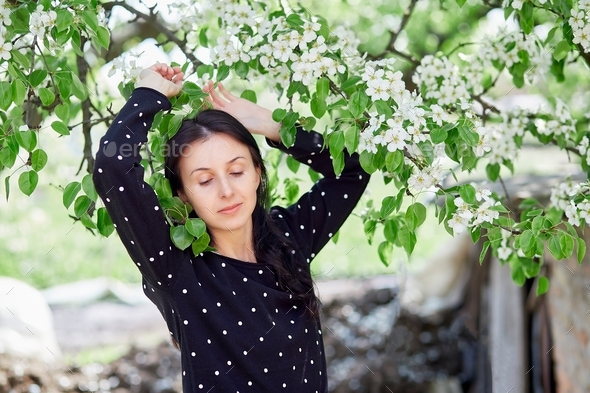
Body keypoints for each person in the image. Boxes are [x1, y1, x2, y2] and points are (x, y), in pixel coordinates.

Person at [93, 63, 370, 392]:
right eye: (205, 180)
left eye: (237, 171)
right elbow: (112, 163)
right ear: (183, 193)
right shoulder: (177, 270)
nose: (226, 191)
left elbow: (353, 169)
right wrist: (149, 95)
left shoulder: (288, 238)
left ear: (256, 173)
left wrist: (273, 125)